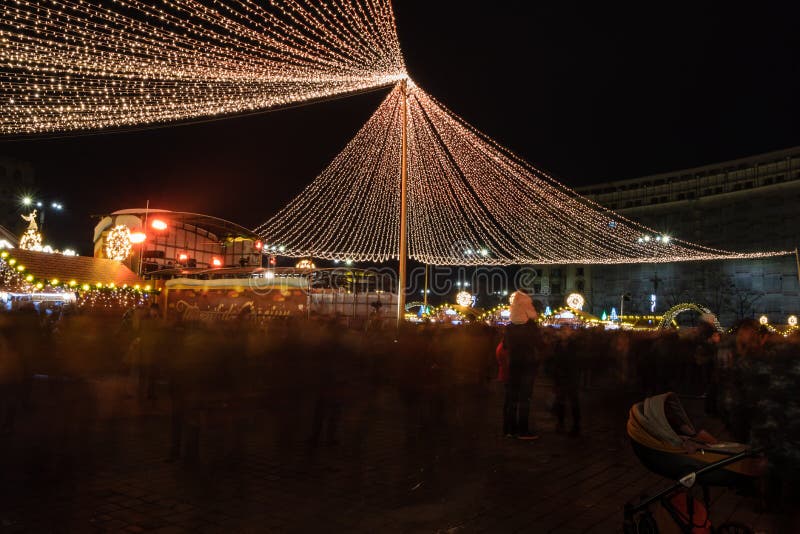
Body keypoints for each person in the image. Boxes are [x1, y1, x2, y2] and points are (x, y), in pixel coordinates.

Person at [502, 290, 542, 440]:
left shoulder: (510, 327)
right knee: (525, 398)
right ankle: (523, 430)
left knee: (512, 398)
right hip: (528, 364)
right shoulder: (531, 326)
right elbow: (539, 343)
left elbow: (505, 346)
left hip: (513, 364)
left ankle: (509, 429)